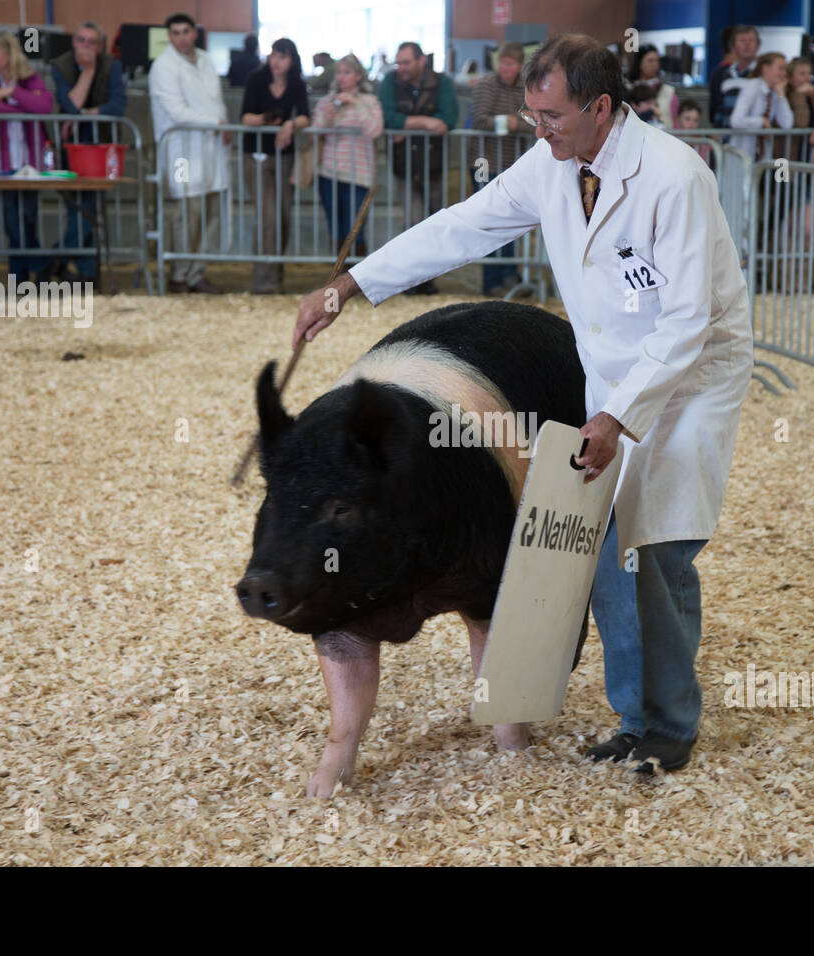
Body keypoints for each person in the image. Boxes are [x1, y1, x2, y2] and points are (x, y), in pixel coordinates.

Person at [293, 33, 753, 775]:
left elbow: (688, 322)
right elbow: (460, 227)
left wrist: (616, 415)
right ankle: (635, 716)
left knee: (657, 549)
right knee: (609, 552)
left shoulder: (673, 178)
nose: (537, 129)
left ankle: (670, 726)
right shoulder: (554, 163)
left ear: (601, 108)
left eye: (551, 115)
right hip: (613, 374)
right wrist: (349, 284)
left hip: (687, 379)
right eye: (531, 115)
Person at [149, 12, 229, 294]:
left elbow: (216, 101)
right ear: (169, 36)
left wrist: (224, 124)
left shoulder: (206, 60)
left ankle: (197, 274)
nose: (182, 37)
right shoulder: (163, 66)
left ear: (195, 32)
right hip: (180, 153)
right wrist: (217, 123)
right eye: (176, 33)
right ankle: (178, 274)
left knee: (208, 215)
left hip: (209, 149)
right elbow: (176, 111)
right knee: (185, 215)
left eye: (186, 31)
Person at [49, 21, 127, 282]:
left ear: (101, 46)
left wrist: (83, 115)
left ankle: (66, 262)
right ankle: (81, 269)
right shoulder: (59, 65)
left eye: (92, 42)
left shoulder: (112, 64)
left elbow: (118, 105)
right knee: (78, 207)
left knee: (91, 206)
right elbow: (68, 105)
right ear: (74, 42)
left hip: (100, 147)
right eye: (82, 41)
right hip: (70, 147)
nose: (86, 47)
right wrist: (88, 73)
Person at [378, 41, 458, 295]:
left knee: (434, 221)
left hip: (432, 162)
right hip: (403, 163)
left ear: (421, 61)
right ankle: (410, 280)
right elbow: (387, 117)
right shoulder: (390, 82)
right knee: (413, 220)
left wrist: (407, 126)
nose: (401, 67)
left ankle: (427, 279)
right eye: (399, 62)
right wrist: (425, 121)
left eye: (406, 62)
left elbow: (448, 118)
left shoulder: (441, 82)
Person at [0, 31, 55, 284]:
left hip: (28, 160)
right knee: (5, 215)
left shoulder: (29, 77)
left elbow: (45, 106)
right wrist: (20, 107)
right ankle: (42, 263)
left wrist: (13, 93)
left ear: (9, 55)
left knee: (26, 215)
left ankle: (19, 278)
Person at [241, 37, 310, 294]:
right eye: (273, 55)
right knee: (266, 217)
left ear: (292, 60)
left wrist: (290, 125)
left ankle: (276, 276)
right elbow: (245, 117)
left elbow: (305, 115)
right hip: (256, 154)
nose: (276, 61)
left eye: (282, 56)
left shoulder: (297, 84)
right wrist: (265, 120)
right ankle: (263, 281)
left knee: (282, 216)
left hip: (284, 156)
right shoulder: (256, 80)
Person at [469, 42, 528, 296]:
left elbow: (533, 119)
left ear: (520, 65)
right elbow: (479, 120)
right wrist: (506, 122)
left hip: (513, 163)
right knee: (489, 220)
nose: (505, 68)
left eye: (510, 63)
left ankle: (509, 276)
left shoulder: (526, 87)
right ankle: (490, 281)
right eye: (502, 62)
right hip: (485, 160)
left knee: (513, 220)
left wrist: (519, 124)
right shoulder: (486, 85)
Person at [314, 55, 381, 260]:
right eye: (339, 73)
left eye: (347, 72)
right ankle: (338, 277)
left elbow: (375, 130)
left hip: (358, 174)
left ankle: (356, 275)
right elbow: (315, 131)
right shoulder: (327, 101)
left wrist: (356, 104)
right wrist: (327, 118)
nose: (342, 78)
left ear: (358, 75)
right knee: (336, 227)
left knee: (355, 227)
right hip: (329, 172)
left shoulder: (370, 102)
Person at [729, 52, 793, 162]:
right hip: (741, 154)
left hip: (760, 156)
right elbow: (736, 120)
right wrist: (761, 121)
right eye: (781, 68)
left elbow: (787, 124)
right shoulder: (752, 86)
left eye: (785, 69)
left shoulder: (775, 92)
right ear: (766, 68)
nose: (784, 73)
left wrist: (781, 95)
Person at [708, 24, 758, 128]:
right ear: (733, 47)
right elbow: (716, 107)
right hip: (726, 137)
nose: (747, 44)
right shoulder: (723, 73)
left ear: (758, 45)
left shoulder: (762, 73)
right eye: (742, 40)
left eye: (751, 40)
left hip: (753, 137)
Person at [627, 44, 676, 129]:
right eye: (650, 60)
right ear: (639, 63)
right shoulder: (628, 89)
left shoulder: (668, 91)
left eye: (657, 61)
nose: (655, 64)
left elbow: (675, 122)